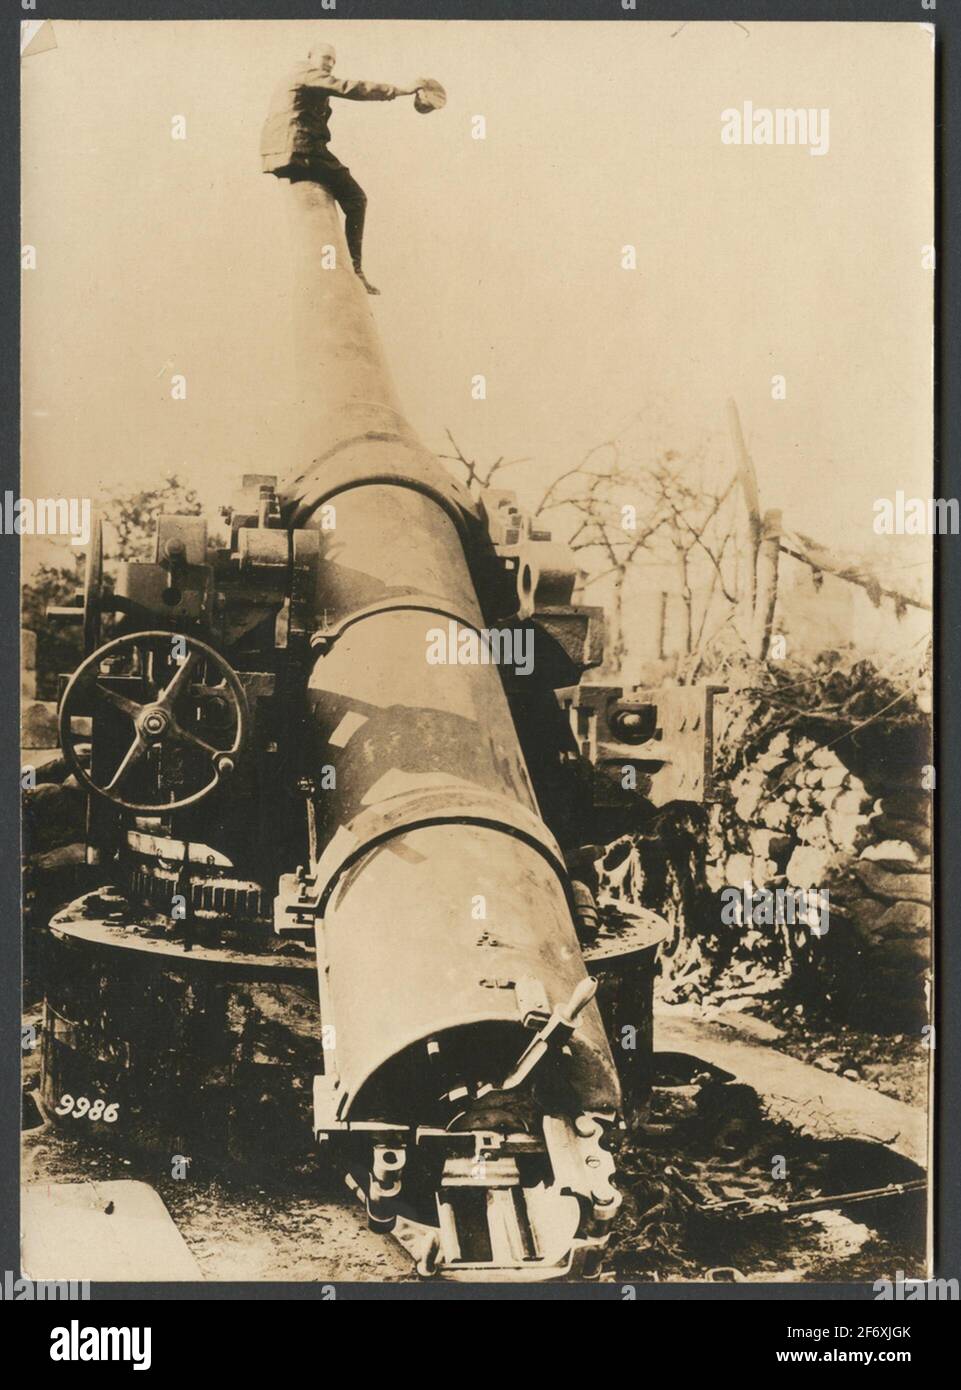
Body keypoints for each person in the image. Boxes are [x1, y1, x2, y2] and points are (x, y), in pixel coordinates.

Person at [261, 42, 421, 294]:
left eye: (333, 61)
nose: (330, 64)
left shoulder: (300, 78)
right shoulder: (306, 73)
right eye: (326, 58)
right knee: (356, 199)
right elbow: (350, 88)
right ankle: (356, 270)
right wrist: (400, 91)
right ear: (310, 57)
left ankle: (351, 269)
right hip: (301, 150)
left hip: (288, 151)